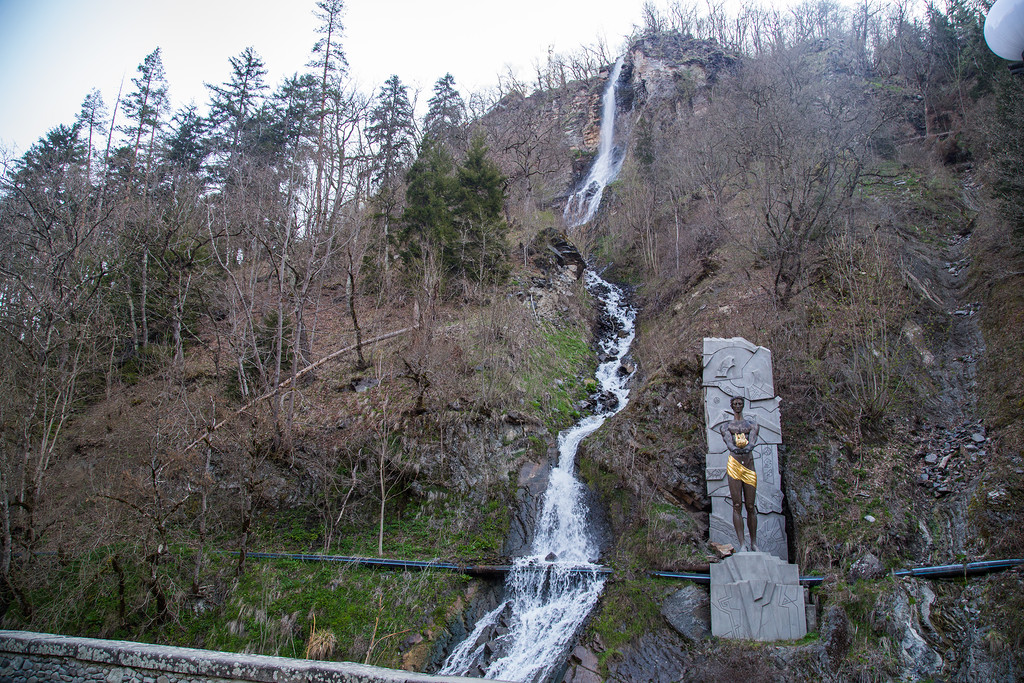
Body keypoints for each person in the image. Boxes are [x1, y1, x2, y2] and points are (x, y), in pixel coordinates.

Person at [717, 395, 759, 551]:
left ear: (743, 405)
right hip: (734, 464)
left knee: (750, 505)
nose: (738, 406)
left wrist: (747, 447)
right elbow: (729, 442)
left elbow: (752, 441)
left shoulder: (752, 425)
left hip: (748, 464)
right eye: (735, 403)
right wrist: (736, 448)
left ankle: (754, 543)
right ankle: (742, 544)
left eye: (740, 403)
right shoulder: (726, 426)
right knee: (737, 504)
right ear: (731, 406)